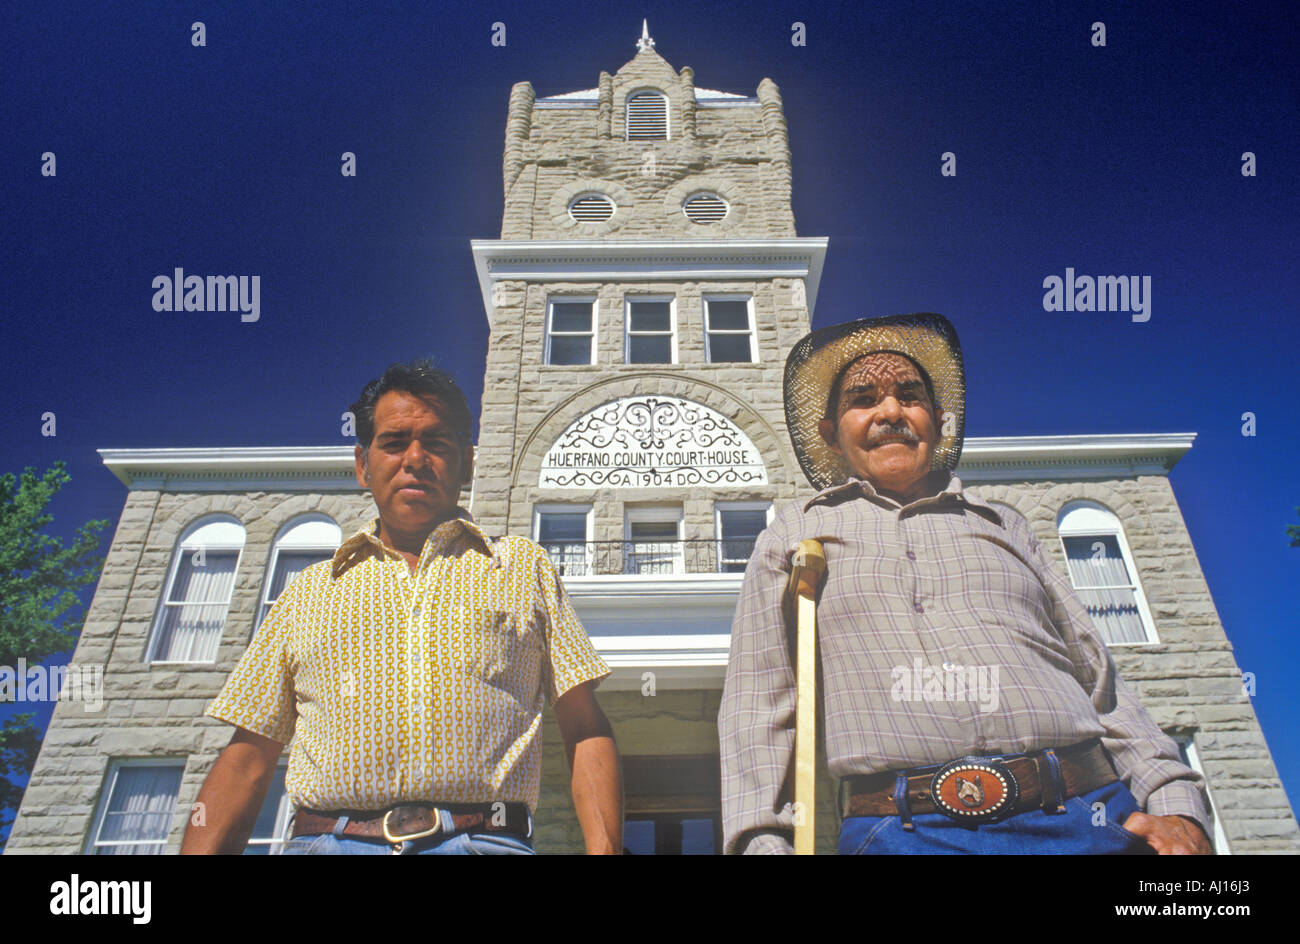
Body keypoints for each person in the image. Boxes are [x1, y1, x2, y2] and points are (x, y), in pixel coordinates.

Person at [718, 314, 1211, 855]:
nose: (890, 412)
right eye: (864, 399)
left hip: (1089, 813)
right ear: (831, 433)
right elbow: (759, 701)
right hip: (901, 833)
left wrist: (1174, 803)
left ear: (937, 419)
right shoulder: (794, 533)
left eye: (910, 395)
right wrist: (761, 840)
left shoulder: (1005, 524)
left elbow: (1098, 681)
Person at [181, 358, 622, 854]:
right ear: (362, 465)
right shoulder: (305, 593)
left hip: (484, 842)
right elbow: (247, 759)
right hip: (327, 842)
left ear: (467, 462)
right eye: (393, 442)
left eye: (436, 442)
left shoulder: (524, 568)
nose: (415, 458)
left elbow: (583, 725)